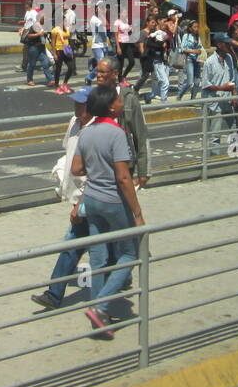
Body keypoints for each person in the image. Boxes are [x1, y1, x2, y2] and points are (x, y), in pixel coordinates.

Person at [72, 85, 146, 339]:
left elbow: (76, 168)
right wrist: (137, 212)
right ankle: (101, 305)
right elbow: (124, 177)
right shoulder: (116, 133)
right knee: (129, 253)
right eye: (117, 98)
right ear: (111, 106)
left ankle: (99, 314)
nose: (121, 101)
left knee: (98, 257)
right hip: (112, 200)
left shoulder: (87, 132)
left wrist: (95, 171)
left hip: (91, 199)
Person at [31, 88, 95, 310]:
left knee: (74, 242)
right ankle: (123, 272)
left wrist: (81, 203)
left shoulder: (96, 129)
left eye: (81, 105)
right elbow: (68, 153)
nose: (77, 108)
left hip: (91, 198)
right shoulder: (74, 123)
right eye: (75, 104)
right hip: (79, 196)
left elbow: (95, 172)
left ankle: (54, 294)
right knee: (91, 243)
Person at [91, 56, 150, 188]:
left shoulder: (129, 99)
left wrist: (143, 171)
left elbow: (141, 136)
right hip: (99, 166)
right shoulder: (93, 98)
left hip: (123, 165)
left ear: (115, 73)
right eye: (97, 71)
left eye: (102, 72)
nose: (98, 75)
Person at [175, 19, 202, 100]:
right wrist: (193, 51)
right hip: (189, 59)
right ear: (190, 28)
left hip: (197, 59)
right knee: (190, 82)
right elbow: (182, 49)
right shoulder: (186, 36)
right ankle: (179, 95)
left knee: (197, 81)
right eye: (195, 27)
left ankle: (193, 99)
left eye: (198, 27)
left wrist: (200, 51)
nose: (197, 28)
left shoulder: (198, 36)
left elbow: (200, 47)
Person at [50, 16, 75, 94]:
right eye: (63, 20)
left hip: (66, 50)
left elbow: (68, 39)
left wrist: (71, 51)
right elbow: (53, 42)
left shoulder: (66, 29)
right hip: (58, 50)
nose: (64, 22)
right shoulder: (55, 30)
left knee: (71, 67)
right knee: (58, 69)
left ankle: (64, 83)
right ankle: (57, 86)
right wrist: (54, 54)